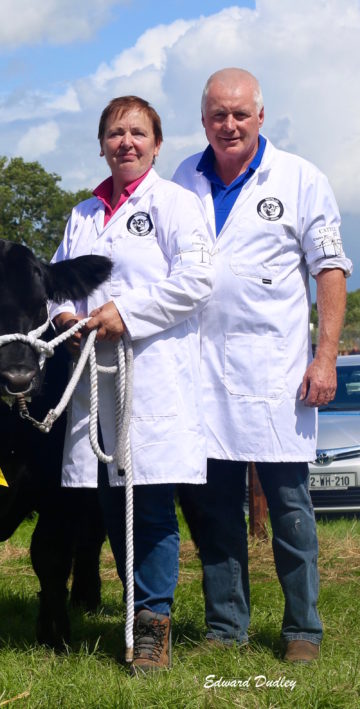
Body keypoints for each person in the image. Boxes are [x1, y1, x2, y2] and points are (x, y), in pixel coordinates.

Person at [172, 68, 351, 664]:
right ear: (203, 121)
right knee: (216, 511)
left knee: (292, 510)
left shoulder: (300, 179)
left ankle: (303, 629)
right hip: (202, 374)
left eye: (240, 114)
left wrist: (324, 357)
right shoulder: (182, 179)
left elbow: (329, 269)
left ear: (260, 117)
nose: (229, 125)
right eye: (218, 115)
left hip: (279, 375)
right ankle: (227, 628)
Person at [50, 96, 214, 675]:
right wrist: (67, 317)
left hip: (154, 374)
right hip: (96, 377)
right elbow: (57, 282)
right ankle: (136, 604)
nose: (126, 142)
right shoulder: (83, 214)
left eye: (137, 133)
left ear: (157, 143)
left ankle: (153, 623)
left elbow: (197, 280)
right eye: (115, 133)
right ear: (101, 145)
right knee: (111, 498)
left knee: (149, 503)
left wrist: (128, 313)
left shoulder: (177, 205)